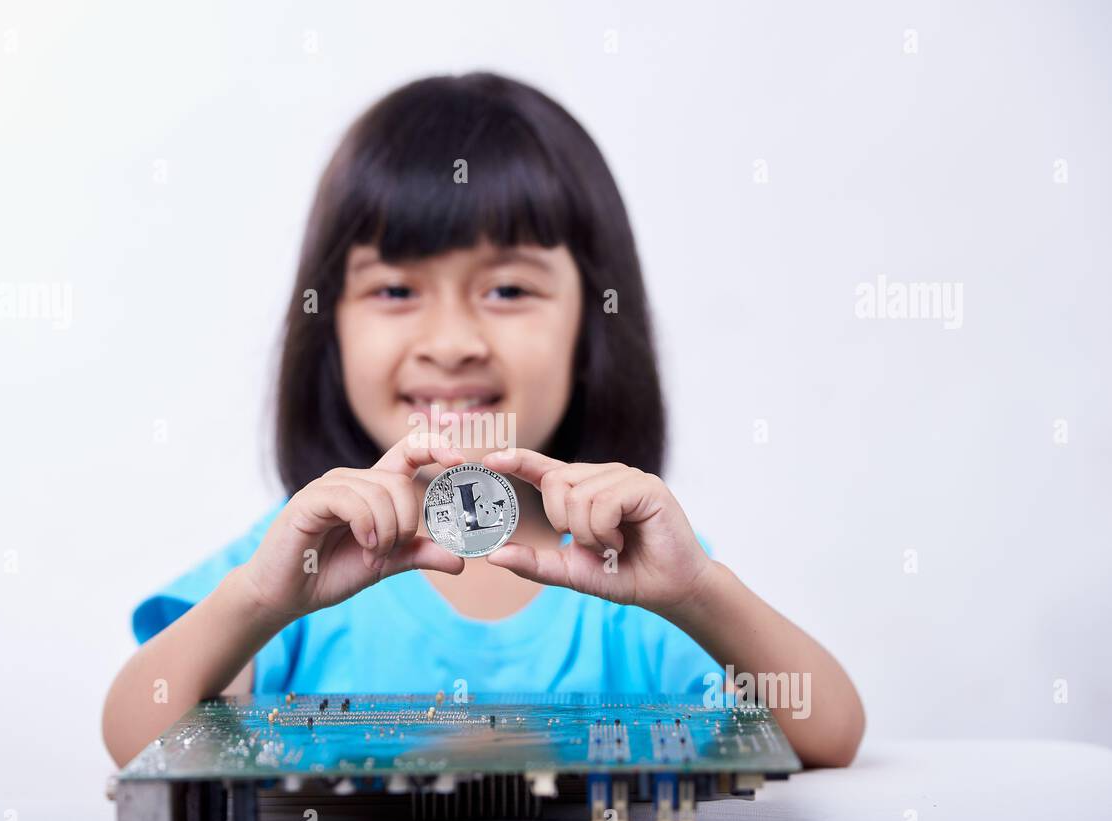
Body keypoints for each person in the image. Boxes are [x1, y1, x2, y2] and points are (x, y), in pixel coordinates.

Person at [102, 72, 865, 770]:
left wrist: (698, 593)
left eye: (507, 290)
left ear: (589, 327)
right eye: (396, 290)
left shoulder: (634, 576)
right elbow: (133, 737)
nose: (452, 344)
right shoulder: (292, 564)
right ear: (329, 330)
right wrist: (261, 600)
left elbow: (828, 731)